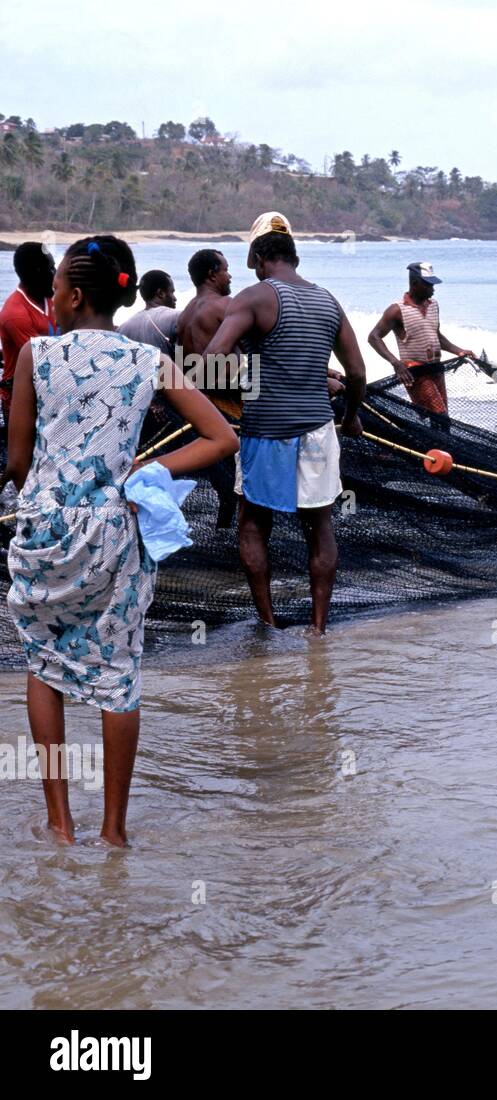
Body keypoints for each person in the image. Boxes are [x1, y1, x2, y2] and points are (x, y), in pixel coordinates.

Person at [0, 236, 237, 847]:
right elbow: (220, 438)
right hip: (113, 532)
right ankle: (114, 831)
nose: (49, 300)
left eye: (53, 291)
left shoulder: (36, 356)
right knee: (119, 673)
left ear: (74, 297)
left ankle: (59, 823)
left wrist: (52, 497)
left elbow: (19, 460)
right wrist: (147, 473)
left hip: (47, 529)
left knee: (45, 665)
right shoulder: (146, 362)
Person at [204, 212, 366, 635]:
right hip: (317, 429)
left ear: (259, 257)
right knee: (320, 526)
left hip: (266, 432)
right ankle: (317, 627)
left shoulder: (255, 297)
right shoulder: (328, 301)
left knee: (255, 524)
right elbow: (357, 374)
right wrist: (350, 419)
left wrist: (248, 375)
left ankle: (269, 622)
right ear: (292, 254)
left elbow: (212, 358)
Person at [366, 262, 475, 415]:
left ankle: (436, 440)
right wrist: (396, 363)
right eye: (429, 285)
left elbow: (435, 335)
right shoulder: (397, 310)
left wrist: (459, 351)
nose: (433, 290)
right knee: (439, 414)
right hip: (415, 371)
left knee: (441, 416)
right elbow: (374, 337)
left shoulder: (433, 305)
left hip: (435, 368)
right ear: (415, 284)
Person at [0, 242, 58, 445]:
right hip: (21, 399)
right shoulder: (15, 314)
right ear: (37, 272)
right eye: (51, 268)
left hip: (47, 392)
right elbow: (44, 362)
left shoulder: (49, 298)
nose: (56, 272)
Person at [175, 249, 240, 416]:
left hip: (198, 404)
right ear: (212, 275)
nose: (230, 276)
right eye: (226, 270)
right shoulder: (225, 305)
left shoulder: (184, 315)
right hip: (226, 402)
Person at [116, 269, 179, 355]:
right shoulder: (175, 317)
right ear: (161, 293)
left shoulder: (121, 330)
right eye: (172, 292)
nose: (175, 298)